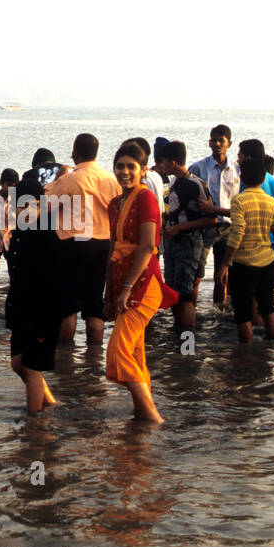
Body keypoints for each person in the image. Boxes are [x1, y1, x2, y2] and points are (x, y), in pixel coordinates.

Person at [104, 142, 179, 423]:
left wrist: (125, 289)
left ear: (143, 170)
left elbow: (148, 246)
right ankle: (141, 418)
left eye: (131, 167)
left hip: (144, 283)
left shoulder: (146, 197)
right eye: (120, 166)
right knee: (134, 355)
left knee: (117, 352)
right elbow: (113, 249)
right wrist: (109, 294)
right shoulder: (115, 203)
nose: (124, 172)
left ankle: (152, 417)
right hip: (122, 280)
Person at [47, 133, 122, 344]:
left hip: (74, 243)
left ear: (74, 153)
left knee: (68, 305)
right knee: (94, 305)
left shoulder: (70, 179)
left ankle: (65, 360)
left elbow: (45, 207)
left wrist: (56, 179)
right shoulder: (111, 180)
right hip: (104, 244)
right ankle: (94, 359)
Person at [6, 174, 62, 413]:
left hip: (42, 312)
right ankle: (49, 403)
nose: (27, 210)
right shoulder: (19, 232)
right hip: (21, 307)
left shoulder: (46, 235)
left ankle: (34, 425)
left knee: (31, 367)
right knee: (18, 364)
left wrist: (45, 319)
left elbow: (56, 280)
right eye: (21, 205)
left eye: (33, 205)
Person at [216, 154, 274, 342]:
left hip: (242, 264)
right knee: (268, 310)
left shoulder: (239, 201)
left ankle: (246, 357)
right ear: (264, 179)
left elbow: (237, 232)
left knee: (243, 315)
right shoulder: (272, 203)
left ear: (242, 178)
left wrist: (224, 264)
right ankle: (272, 352)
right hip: (266, 262)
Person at [157, 140, 212, 331]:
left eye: (163, 162)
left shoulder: (195, 184)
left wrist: (180, 228)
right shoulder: (175, 182)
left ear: (173, 163)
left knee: (185, 296)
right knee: (173, 293)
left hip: (188, 243)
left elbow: (211, 219)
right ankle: (179, 336)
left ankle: (188, 345)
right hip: (173, 243)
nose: (161, 166)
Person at [188, 125, 241, 306]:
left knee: (222, 274)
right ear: (209, 142)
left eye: (221, 140)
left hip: (227, 227)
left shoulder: (236, 170)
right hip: (204, 227)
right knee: (196, 273)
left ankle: (219, 313)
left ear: (229, 144)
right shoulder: (197, 168)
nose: (217, 144)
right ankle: (192, 313)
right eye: (214, 140)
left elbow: (238, 201)